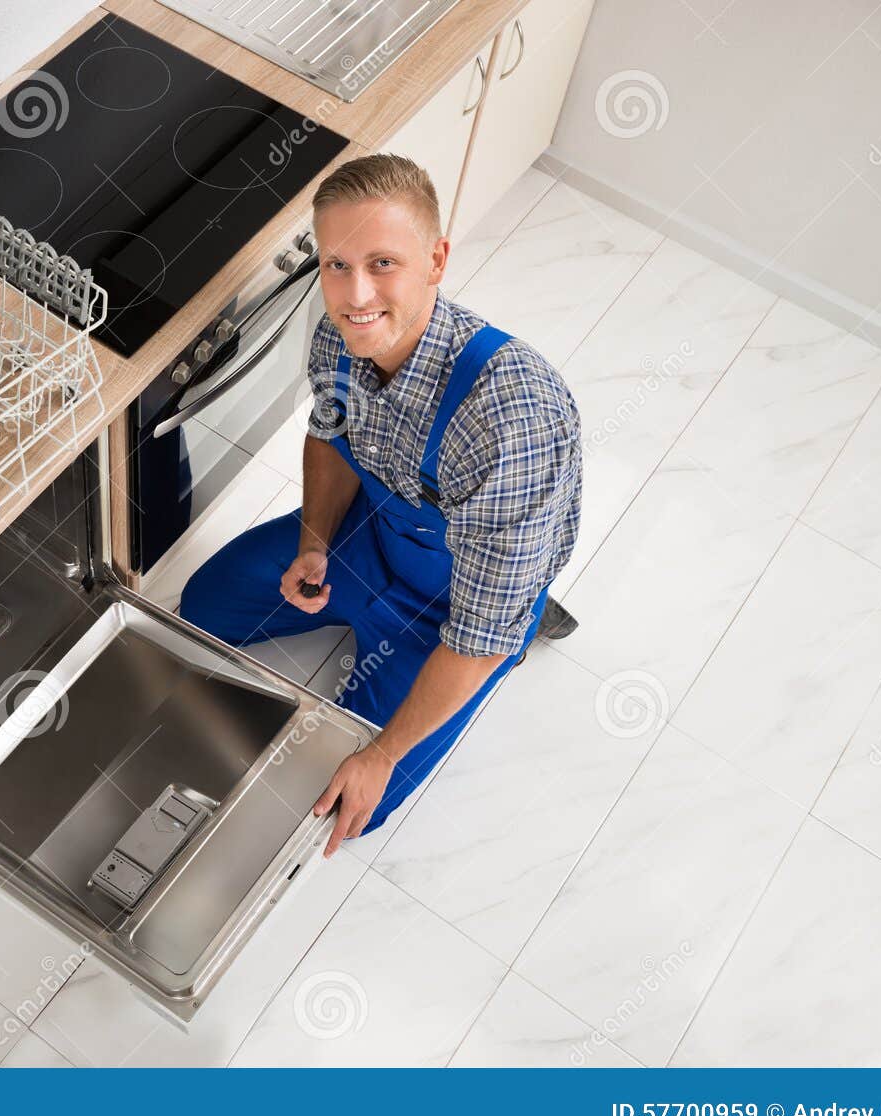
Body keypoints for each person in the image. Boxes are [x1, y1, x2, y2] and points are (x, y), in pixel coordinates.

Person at [179, 153, 583, 857]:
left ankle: (523, 606)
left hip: (455, 613)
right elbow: (330, 437)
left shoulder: (510, 419)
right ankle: (494, 591)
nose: (355, 293)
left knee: (334, 795)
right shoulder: (340, 333)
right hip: (370, 540)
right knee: (201, 608)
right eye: (337, 264)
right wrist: (313, 543)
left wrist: (381, 755)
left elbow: (474, 636)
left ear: (436, 259)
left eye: (383, 263)